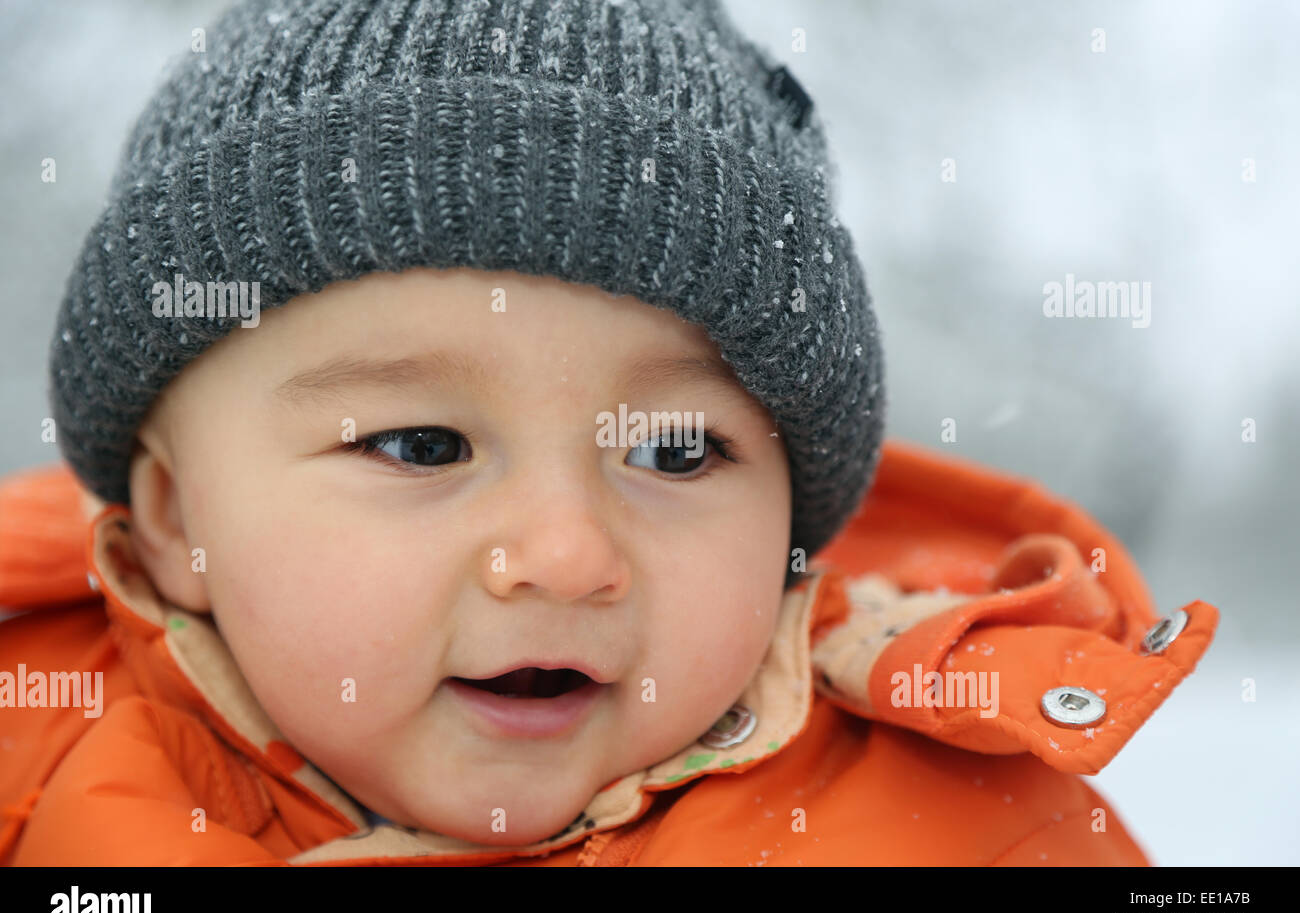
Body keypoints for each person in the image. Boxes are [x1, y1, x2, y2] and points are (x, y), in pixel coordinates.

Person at [0, 0, 1217, 865]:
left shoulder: (964, 837)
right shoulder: (29, 765)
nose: (568, 553)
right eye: (424, 445)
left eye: (677, 452)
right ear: (171, 520)